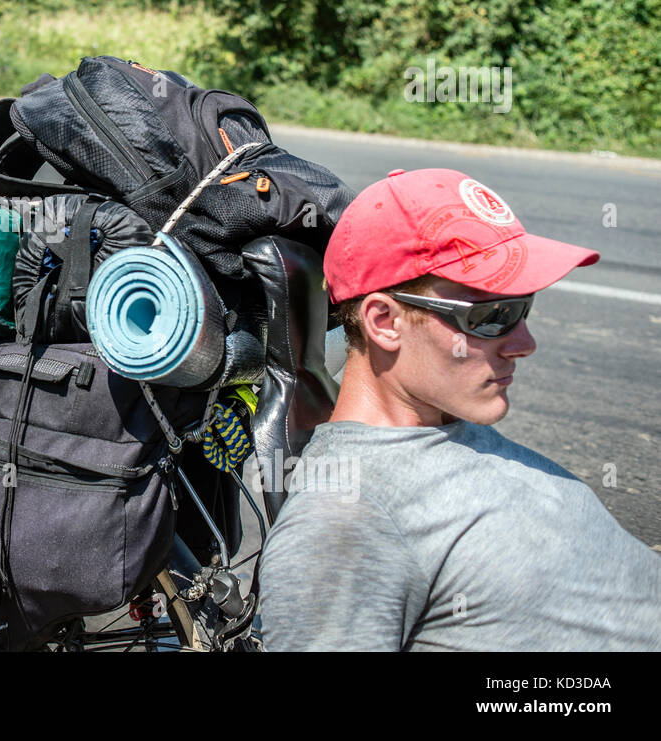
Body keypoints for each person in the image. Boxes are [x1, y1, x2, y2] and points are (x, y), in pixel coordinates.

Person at [256, 167, 661, 650]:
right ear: (384, 321)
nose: (525, 344)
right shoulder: (345, 520)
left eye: (523, 307)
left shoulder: (446, 426)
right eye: (492, 317)